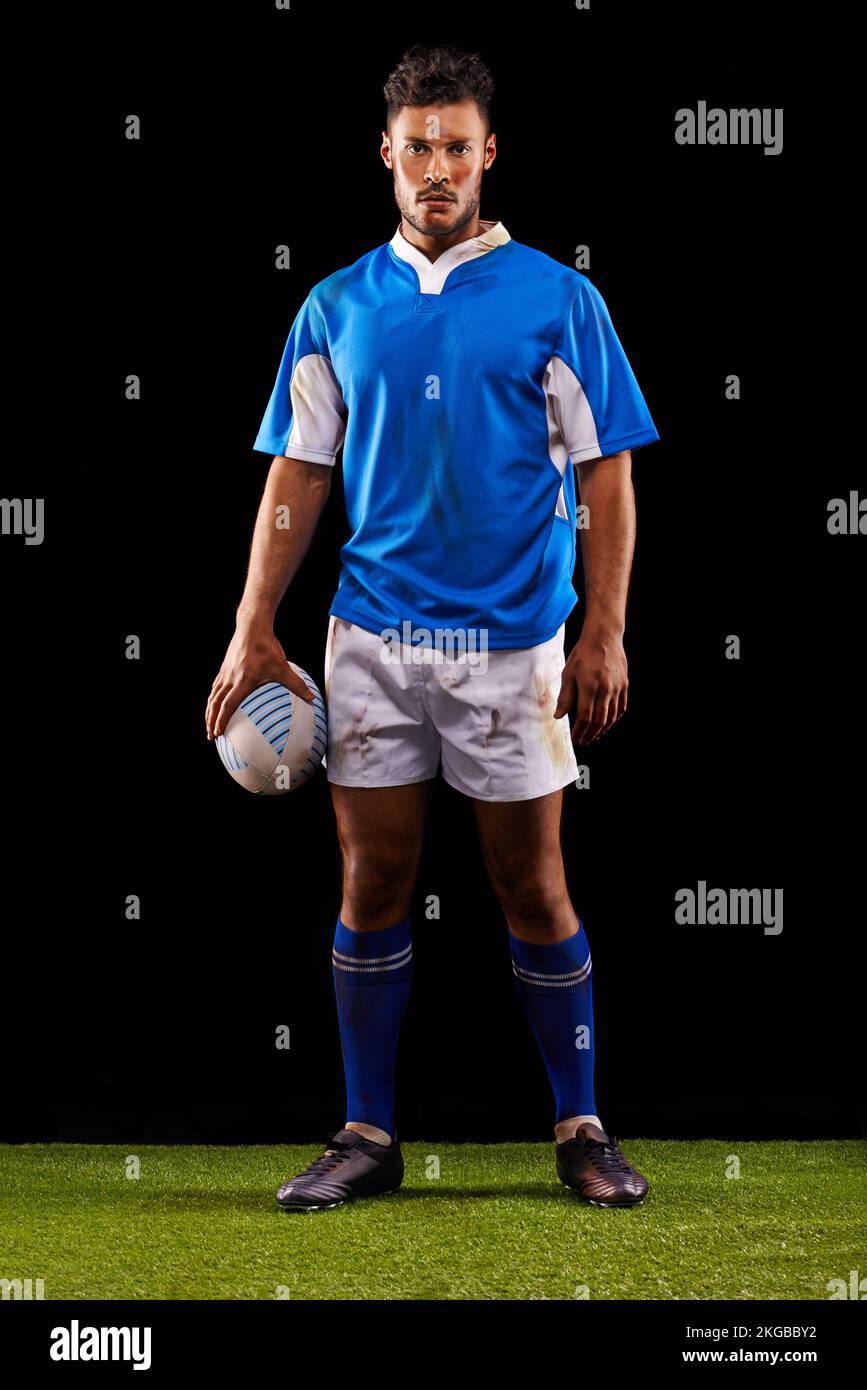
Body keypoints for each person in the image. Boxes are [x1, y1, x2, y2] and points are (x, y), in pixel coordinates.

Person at [205, 43, 659, 1211]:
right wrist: (254, 627)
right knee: (372, 876)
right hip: (371, 643)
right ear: (388, 155)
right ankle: (366, 1132)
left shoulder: (561, 297)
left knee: (532, 883)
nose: (437, 167)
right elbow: (297, 477)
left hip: (514, 646)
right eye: (417, 147)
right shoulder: (336, 304)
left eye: (458, 145)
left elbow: (608, 478)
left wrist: (602, 632)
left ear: (489, 152)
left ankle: (581, 1124)